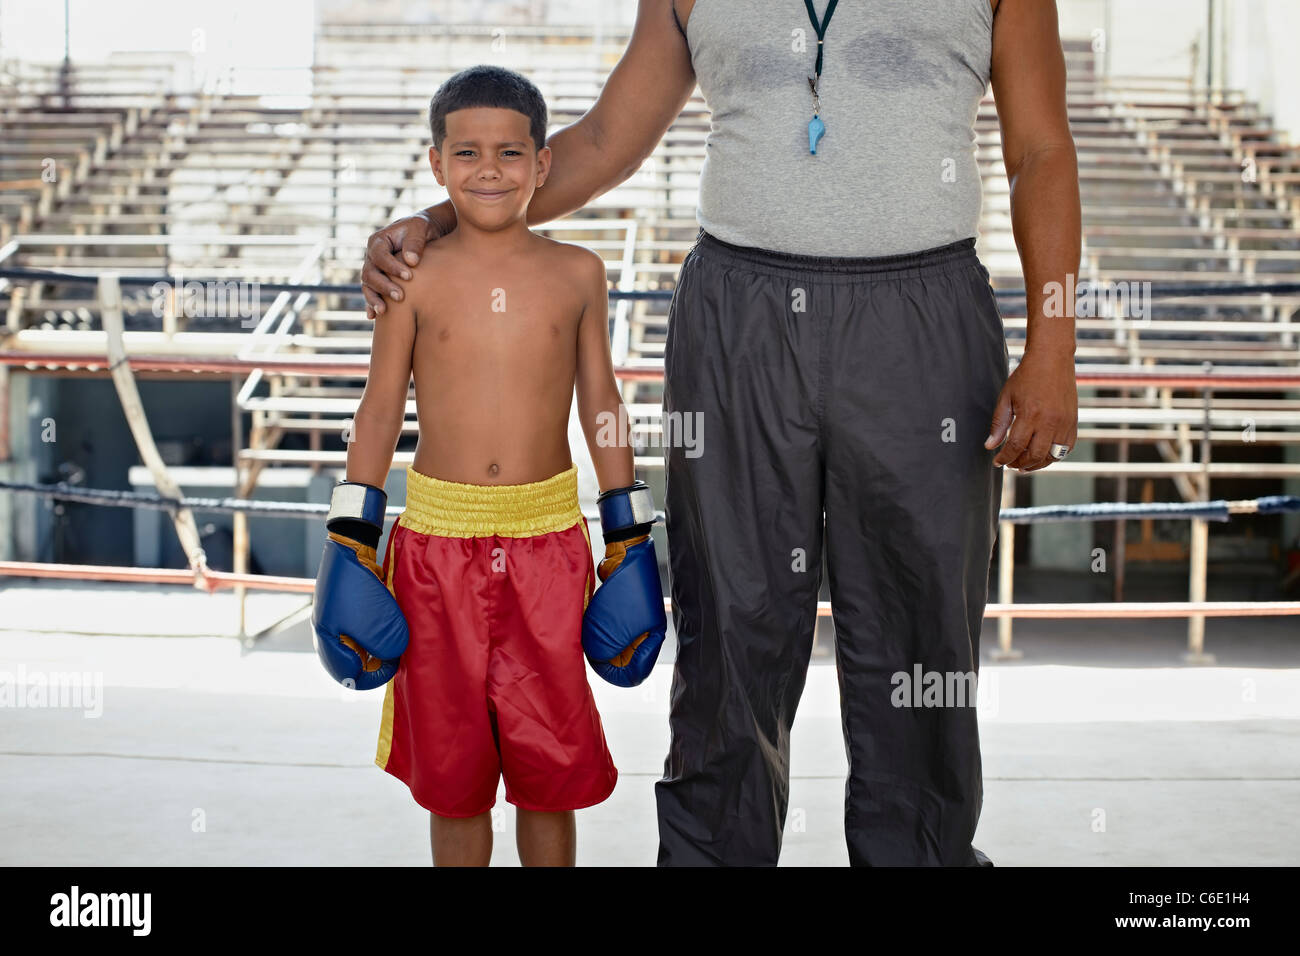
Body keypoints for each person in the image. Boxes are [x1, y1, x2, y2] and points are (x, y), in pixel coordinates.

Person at [361, 0, 1081, 866]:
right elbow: (602, 144)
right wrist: (438, 222)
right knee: (730, 622)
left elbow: (1040, 149)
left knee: (921, 629)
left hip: (921, 314)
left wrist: (1056, 345)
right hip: (740, 313)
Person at [312, 64, 665, 866]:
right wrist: (349, 537)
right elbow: (378, 407)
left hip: (550, 544)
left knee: (550, 772)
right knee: (455, 775)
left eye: (511, 153)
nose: (490, 170)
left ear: (544, 164)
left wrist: (628, 535)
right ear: (435, 165)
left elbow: (601, 402)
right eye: (467, 153)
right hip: (435, 548)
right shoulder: (412, 278)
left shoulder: (578, 273)